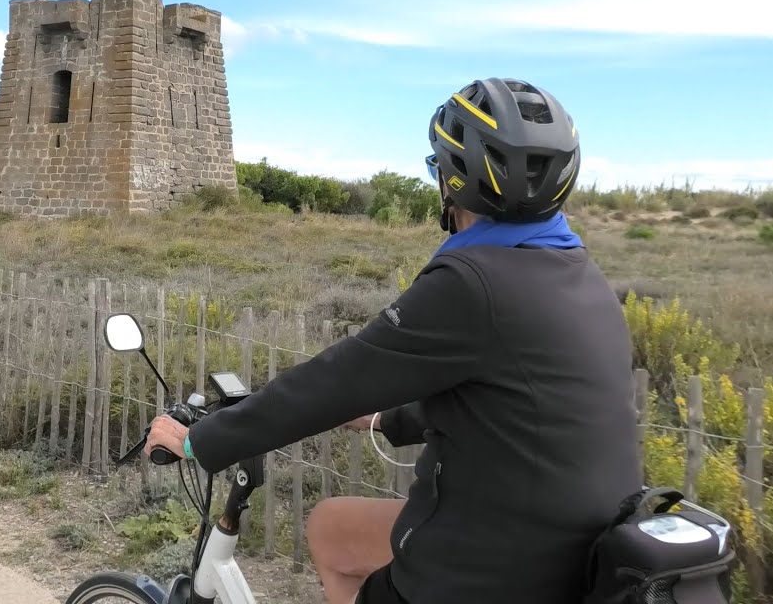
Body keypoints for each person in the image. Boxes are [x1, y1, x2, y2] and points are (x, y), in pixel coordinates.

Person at [144, 77, 642, 604]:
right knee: (332, 529)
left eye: (437, 168)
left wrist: (202, 441)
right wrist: (383, 418)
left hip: (500, 564)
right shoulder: (580, 274)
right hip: (581, 550)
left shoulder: (472, 280)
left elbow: (336, 381)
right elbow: (509, 405)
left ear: (453, 182)